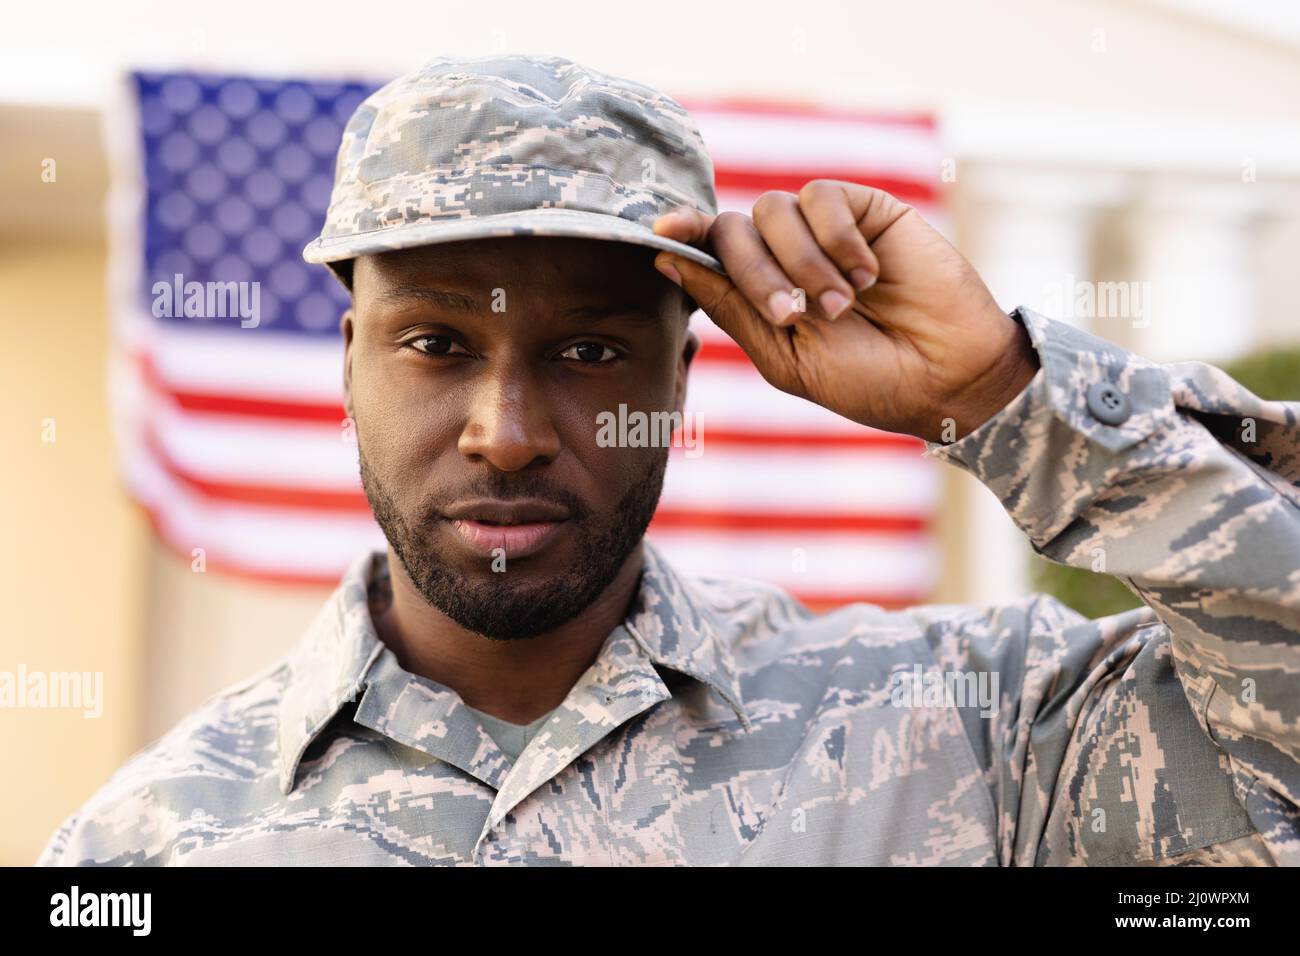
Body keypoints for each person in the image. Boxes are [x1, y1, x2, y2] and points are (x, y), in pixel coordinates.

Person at [38, 54, 1299, 866]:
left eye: (587, 348)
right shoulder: (147, 847)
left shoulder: (973, 729)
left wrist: (1004, 392)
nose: (508, 428)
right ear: (349, 356)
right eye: (435, 341)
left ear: (682, 375)